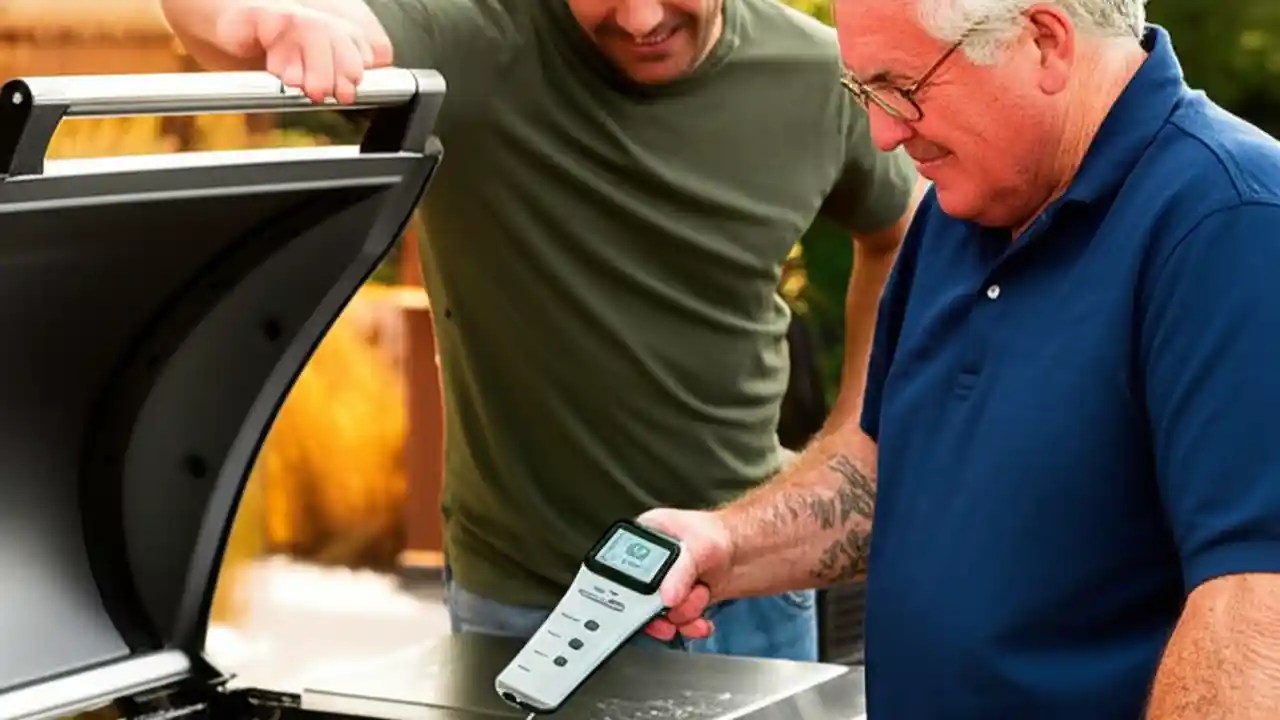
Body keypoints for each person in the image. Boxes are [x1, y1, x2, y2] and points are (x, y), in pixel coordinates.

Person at [160, 0, 922, 661]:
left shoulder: (817, 76)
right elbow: (202, 20)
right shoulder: (470, 42)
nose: (640, 19)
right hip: (527, 603)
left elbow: (900, 235)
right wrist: (260, 21)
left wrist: (856, 433)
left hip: (751, 587)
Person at [637, 0, 1280, 716]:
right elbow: (885, 470)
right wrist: (728, 545)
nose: (882, 133)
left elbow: (1256, 610)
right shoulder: (960, 204)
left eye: (902, 87)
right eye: (863, 93)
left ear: (1043, 41)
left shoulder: (1236, 223)